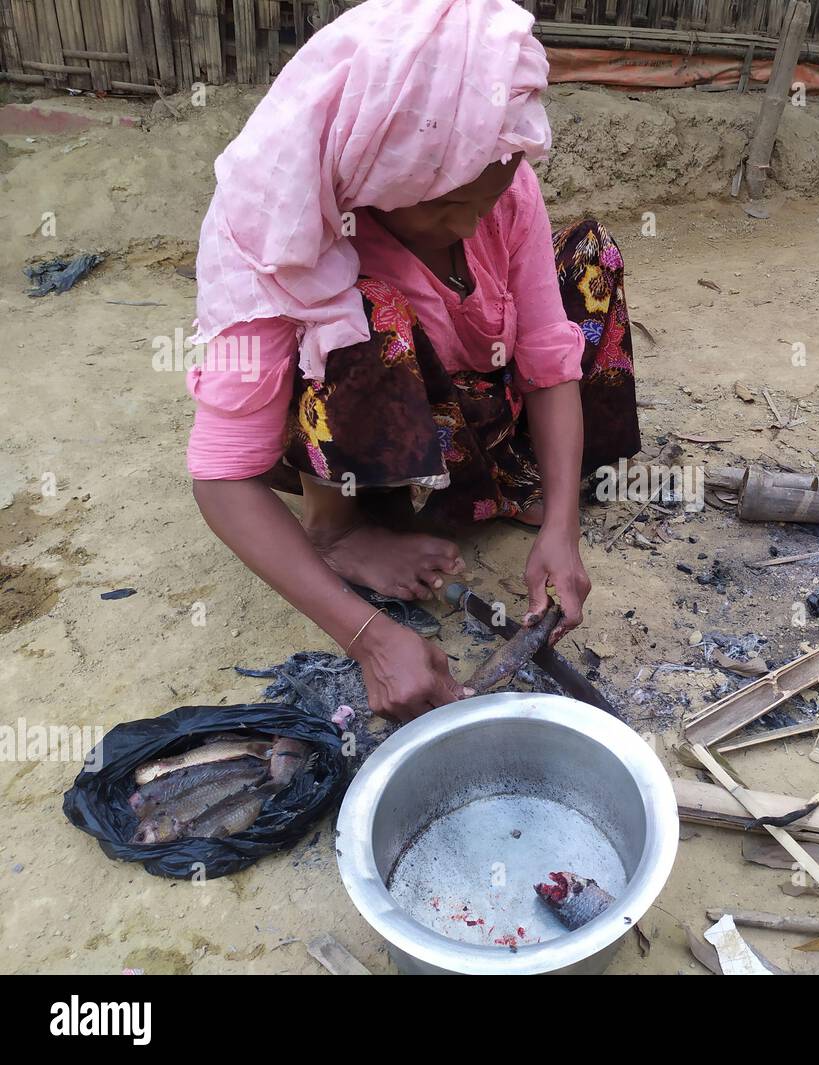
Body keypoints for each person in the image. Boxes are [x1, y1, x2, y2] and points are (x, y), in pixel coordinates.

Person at [186, 0, 639, 722]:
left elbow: (548, 357)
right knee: (363, 312)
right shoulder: (275, 234)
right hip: (359, 437)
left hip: (468, 401)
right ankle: (339, 529)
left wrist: (563, 527)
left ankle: (509, 483)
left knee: (589, 255)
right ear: (375, 180)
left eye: (488, 194)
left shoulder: (499, 180)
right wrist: (367, 639)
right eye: (446, 205)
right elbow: (220, 474)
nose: (470, 221)